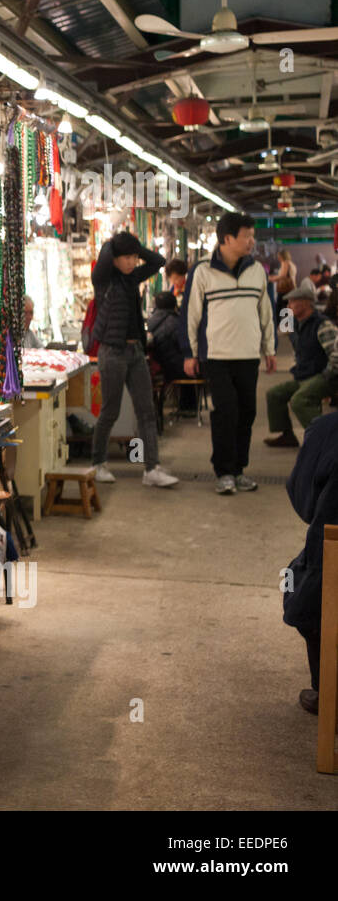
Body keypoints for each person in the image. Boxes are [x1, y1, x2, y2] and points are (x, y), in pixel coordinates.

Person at [184, 212, 275, 494]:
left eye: (252, 236)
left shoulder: (256, 270)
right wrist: (190, 352)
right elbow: (191, 315)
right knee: (226, 412)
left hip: (248, 355)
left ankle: (239, 470)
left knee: (247, 412)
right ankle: (223, 471)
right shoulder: (202, 271)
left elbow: (267, 312)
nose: (251, 242)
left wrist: (269, 348)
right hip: (217, 356)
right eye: (246, 236)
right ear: (227, 239)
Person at [88, 232, 178, 487]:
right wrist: (111, 244)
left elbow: (159, 261)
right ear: (114, 258)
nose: (131, 262)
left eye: (133, 258)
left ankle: (152, 468)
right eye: (126, 258)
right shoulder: (103, 279)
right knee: (110, 410)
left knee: (146, 411)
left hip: (136, 351)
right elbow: (105, 259)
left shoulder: (132, 277)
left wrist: (137, 249)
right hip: (111, 352)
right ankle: (98, 463)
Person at [284, 411, 338, 715]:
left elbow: (303, 501)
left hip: (331, 567)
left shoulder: (327, 429)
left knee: (301, 589)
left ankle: (329, 691)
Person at [263, 279, 338, 447]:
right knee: (274, 394)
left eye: (292, 302)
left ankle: (324, 440)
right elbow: (286, 334)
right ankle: (287, 436)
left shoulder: (322, 324)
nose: (288, 305)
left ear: (305, 303)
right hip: (304, 374)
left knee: (300, 400)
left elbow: (336, 355)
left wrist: (327, 375)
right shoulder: (295, 322)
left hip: (324, 375)